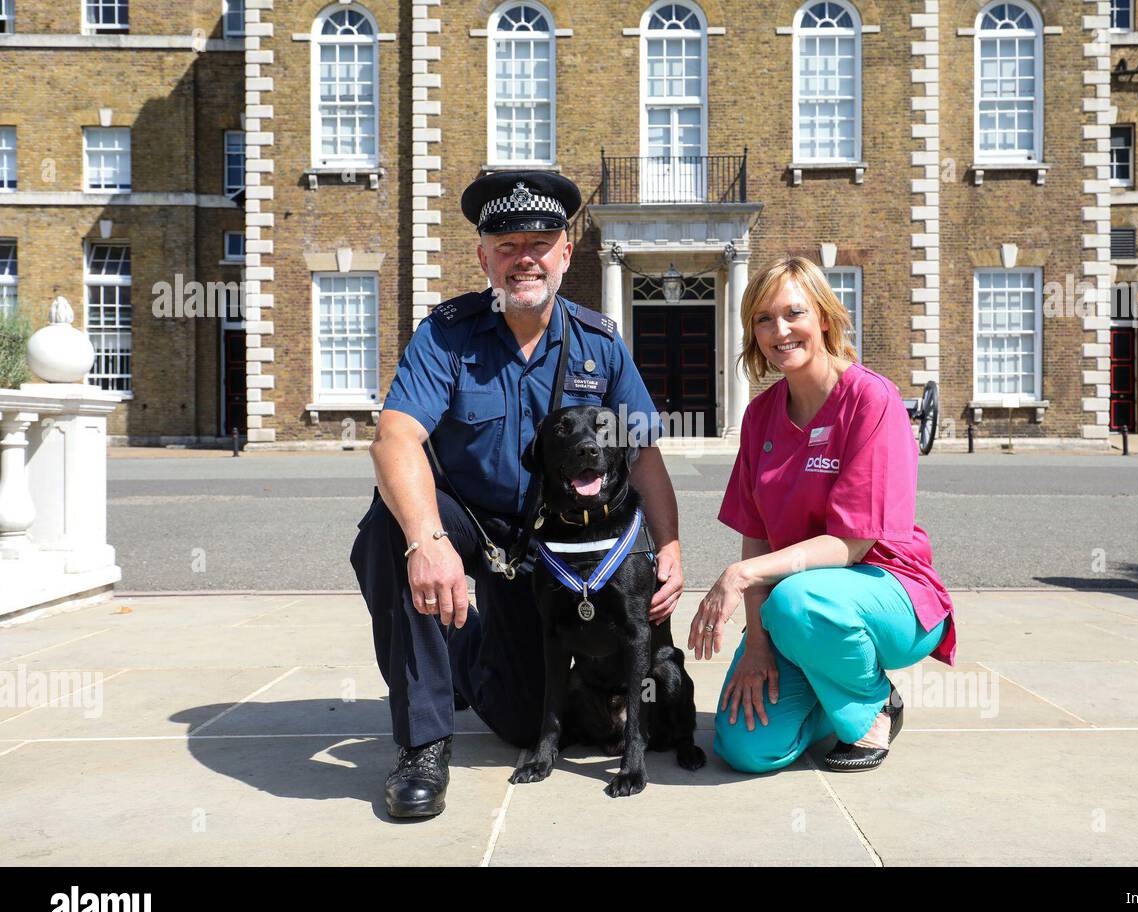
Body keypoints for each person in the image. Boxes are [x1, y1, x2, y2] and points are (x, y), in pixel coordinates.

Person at [351, 170, 683, 818]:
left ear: (564, 252)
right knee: (388, 531)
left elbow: (642, 452)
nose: (524, 257)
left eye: (540, 242)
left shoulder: (600, 345)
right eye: (507, 245)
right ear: (484, 257)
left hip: (553, 544)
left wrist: (668, 546)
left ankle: (460, 645)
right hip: (469, 524)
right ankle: (423, 742)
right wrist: (428, 539)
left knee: (519, 721)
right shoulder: (448, 335)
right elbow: (395, 438)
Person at [688, 256, 957, 774]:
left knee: (796, 600)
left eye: (794, 313)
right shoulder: (760, 415)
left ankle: (874, 703)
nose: (779, 330)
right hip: (801, 612)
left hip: (890, 596)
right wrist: (758, 646)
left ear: (825, 319)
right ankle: (829, 696)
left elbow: (851, 544)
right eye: (764, 319)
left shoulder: (870, 399)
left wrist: (741, 578)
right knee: (746, 748)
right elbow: (757, 534)